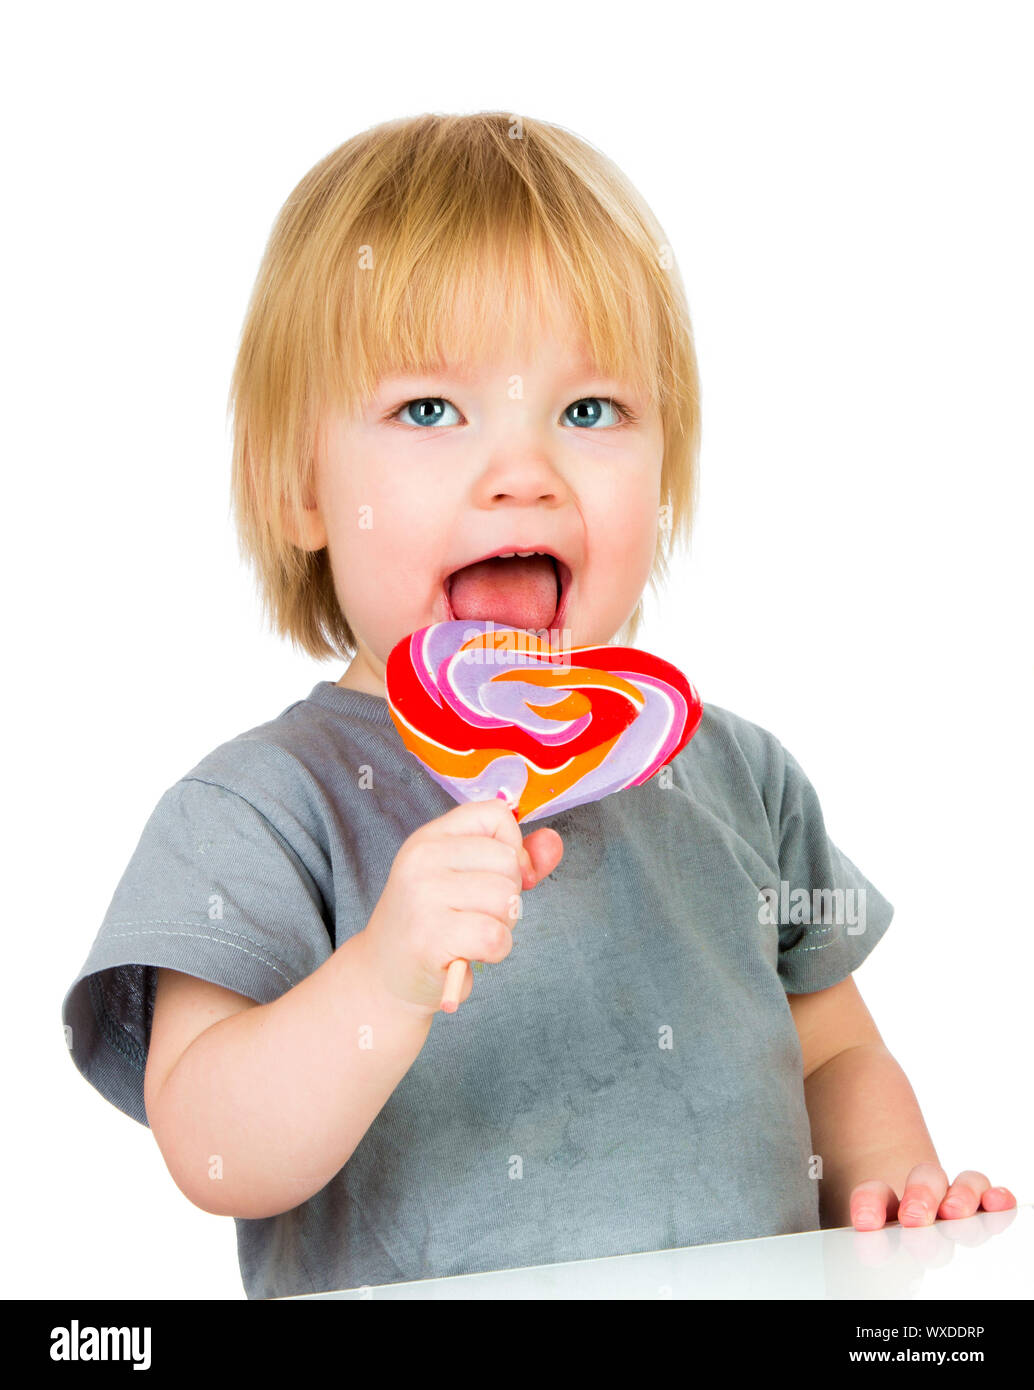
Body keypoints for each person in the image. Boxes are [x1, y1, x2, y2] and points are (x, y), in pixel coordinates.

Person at [60, 111, 1015, 1300]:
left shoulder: (739, 778)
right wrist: (382, 978)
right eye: (427, 412)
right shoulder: (259, 811)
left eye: (587, 412)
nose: (524, 471)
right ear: (304, 488)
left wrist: (889, 1188)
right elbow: (212, 1143)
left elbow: (834, 1050)